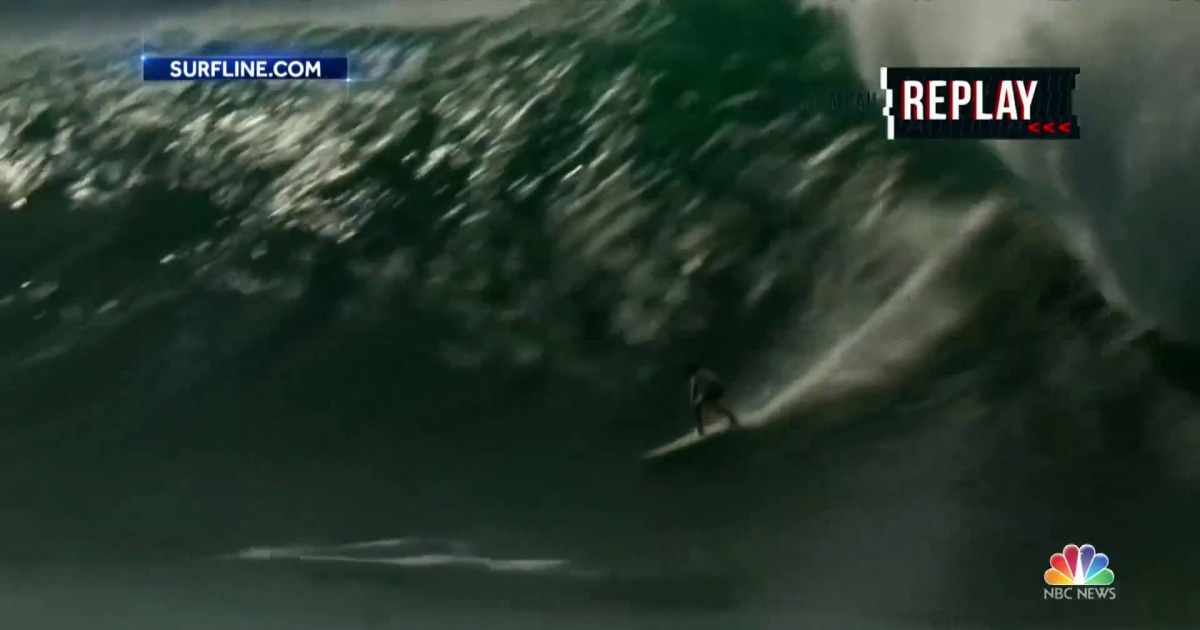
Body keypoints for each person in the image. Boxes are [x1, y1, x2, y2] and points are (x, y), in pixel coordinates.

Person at [685, 362, 740, 435]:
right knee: (711, 406)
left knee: (699, 406)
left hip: (712, 389)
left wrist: (692, 401)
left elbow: (694, 389)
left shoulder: (695, 376)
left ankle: (701, 430)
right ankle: (731, 419)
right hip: (719, 387)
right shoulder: (704, 371)